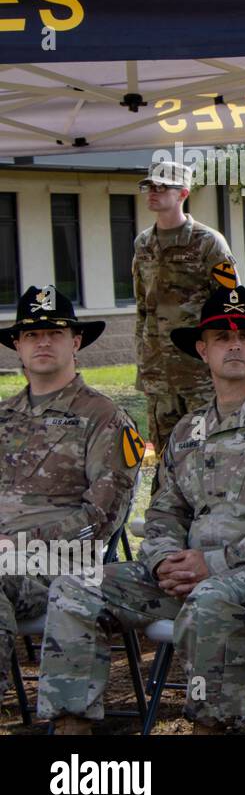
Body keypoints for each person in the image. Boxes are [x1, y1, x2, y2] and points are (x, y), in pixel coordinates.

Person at [39, 286, 245, 734]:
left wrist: (214, 563)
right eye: (220, 336)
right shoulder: (187, 430)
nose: (234, 343)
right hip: (185, 573)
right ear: (202, 349)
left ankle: (210, 727)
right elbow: (164, 512)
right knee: (76, 588)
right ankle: (70, 729)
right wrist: (160, 561)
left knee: (211, 600)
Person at [0, 287, 139, 705]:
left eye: (55, 332)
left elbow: (101, 517)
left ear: (75, 341)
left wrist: (18, 545)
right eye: (32, 334)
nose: (43, 341)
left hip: (59, 563)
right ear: (18, 346)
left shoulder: (103, 418)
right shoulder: (3, 417)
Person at [132, 161, 240, 454]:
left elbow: (231, 305)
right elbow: (143, 305)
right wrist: (143, 358)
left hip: (198, 370)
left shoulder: (208, 243)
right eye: (149, 187)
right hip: (158, 370)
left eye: (162, 187)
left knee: (206, 449)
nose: (153, 193)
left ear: (182, 193)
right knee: (167, 452)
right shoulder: (143, 243)